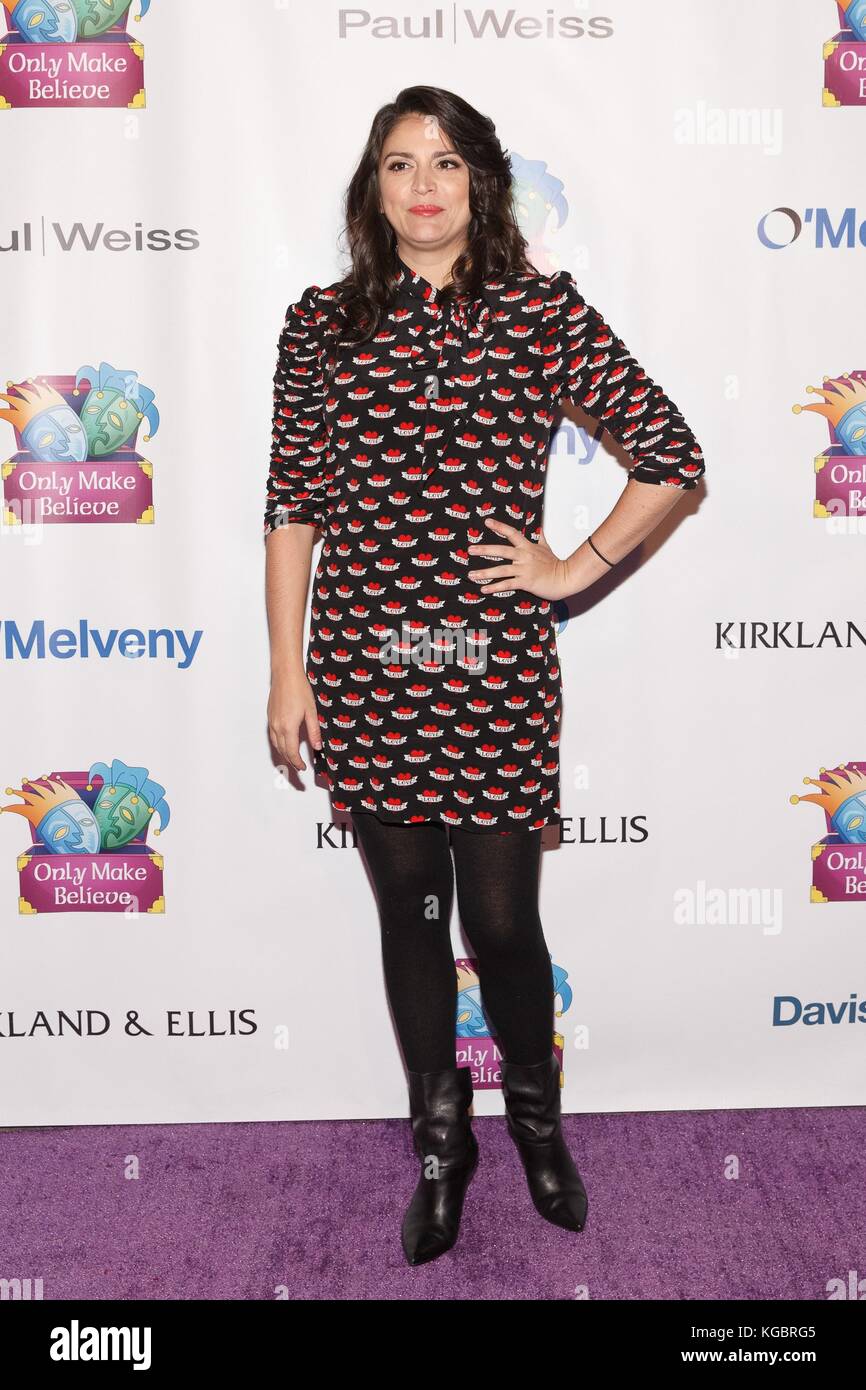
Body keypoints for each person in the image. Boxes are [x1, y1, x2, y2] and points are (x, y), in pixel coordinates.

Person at [264, 85, 705, 1267]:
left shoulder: (539, 314)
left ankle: (537, 1126)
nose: (422, 184)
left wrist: (570, 568)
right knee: (410, 921)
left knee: (504, 922)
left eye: (446, 163)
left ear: (480, 184)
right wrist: (284, 671)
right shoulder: (317, 326)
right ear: (372, 187)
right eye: (399, 163)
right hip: (361, 668)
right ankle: (437, 1144)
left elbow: (671, 455)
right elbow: (292, 505)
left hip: (493, 669)